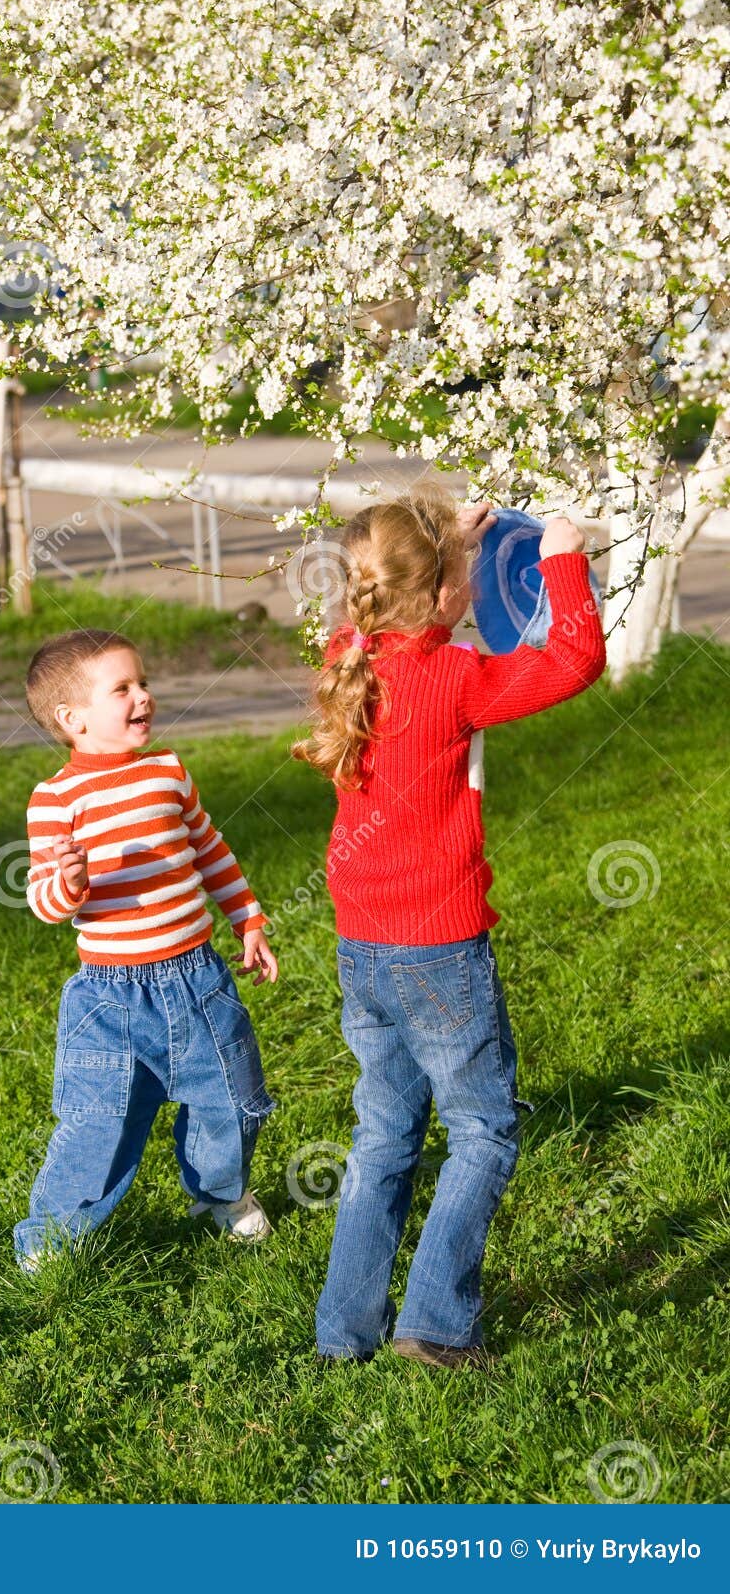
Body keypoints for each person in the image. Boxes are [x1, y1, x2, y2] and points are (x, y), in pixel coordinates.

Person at [293, 483, 607, 1368]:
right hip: (439, 943)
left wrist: (447, 544)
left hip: (363, 942)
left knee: (385, 1132)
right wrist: (563, 559)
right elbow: (574, 660)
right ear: (441, 596)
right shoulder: (454, 680)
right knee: (482, 1130)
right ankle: (433, 1325)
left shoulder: (344, 663)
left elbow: (376, 616)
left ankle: (343, 1331)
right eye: (462, 571)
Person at [15, 627, 278, 1269]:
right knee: (97, 1122)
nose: (143, 697)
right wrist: (69, 883)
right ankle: (53, 1239)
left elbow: (209, 849)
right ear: (71, 718)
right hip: (110, 997)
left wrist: (246, 916)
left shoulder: (167, 770)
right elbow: (44, 901)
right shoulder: (56, 800)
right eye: (122, 688)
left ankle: (219, 1195)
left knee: (232, 1095)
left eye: (144, 683)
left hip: (197, 979)